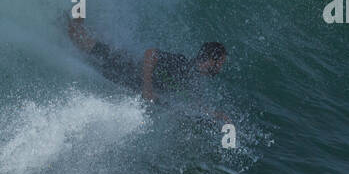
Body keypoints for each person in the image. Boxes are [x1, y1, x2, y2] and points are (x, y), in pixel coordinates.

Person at [67, 15, 228, 121]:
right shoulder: (183, 64)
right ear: (209, 60)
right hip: (123, 66)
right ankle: (61, 16)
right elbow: (151, 54)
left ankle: (71, 21)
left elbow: (196, 104)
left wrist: (216, 115)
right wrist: (147, 88)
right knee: (79, 40)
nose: (220, 68)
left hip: (125, 77)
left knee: (84, 46)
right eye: (219, 63)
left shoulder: (193, 79)